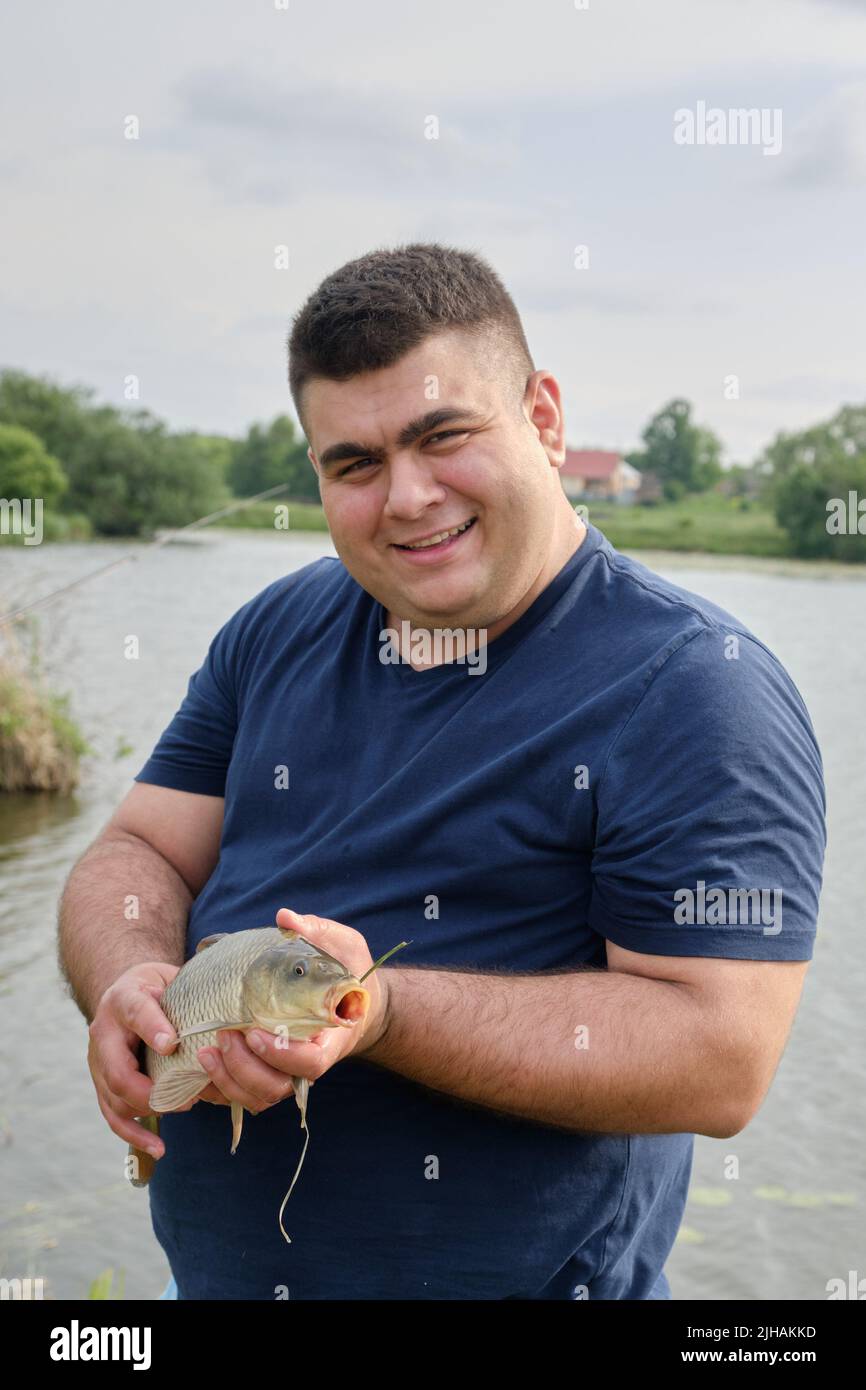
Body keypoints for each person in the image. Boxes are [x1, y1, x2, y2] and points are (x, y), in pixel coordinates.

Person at [58, 243, 825, 1300]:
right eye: (353, 464)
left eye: (442, 436)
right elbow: (139, 850)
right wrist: (130, 983)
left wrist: (371, 1011)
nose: (407, 496)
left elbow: (718, 1054)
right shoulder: (274, 628)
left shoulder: (697, 688)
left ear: (543, 419)